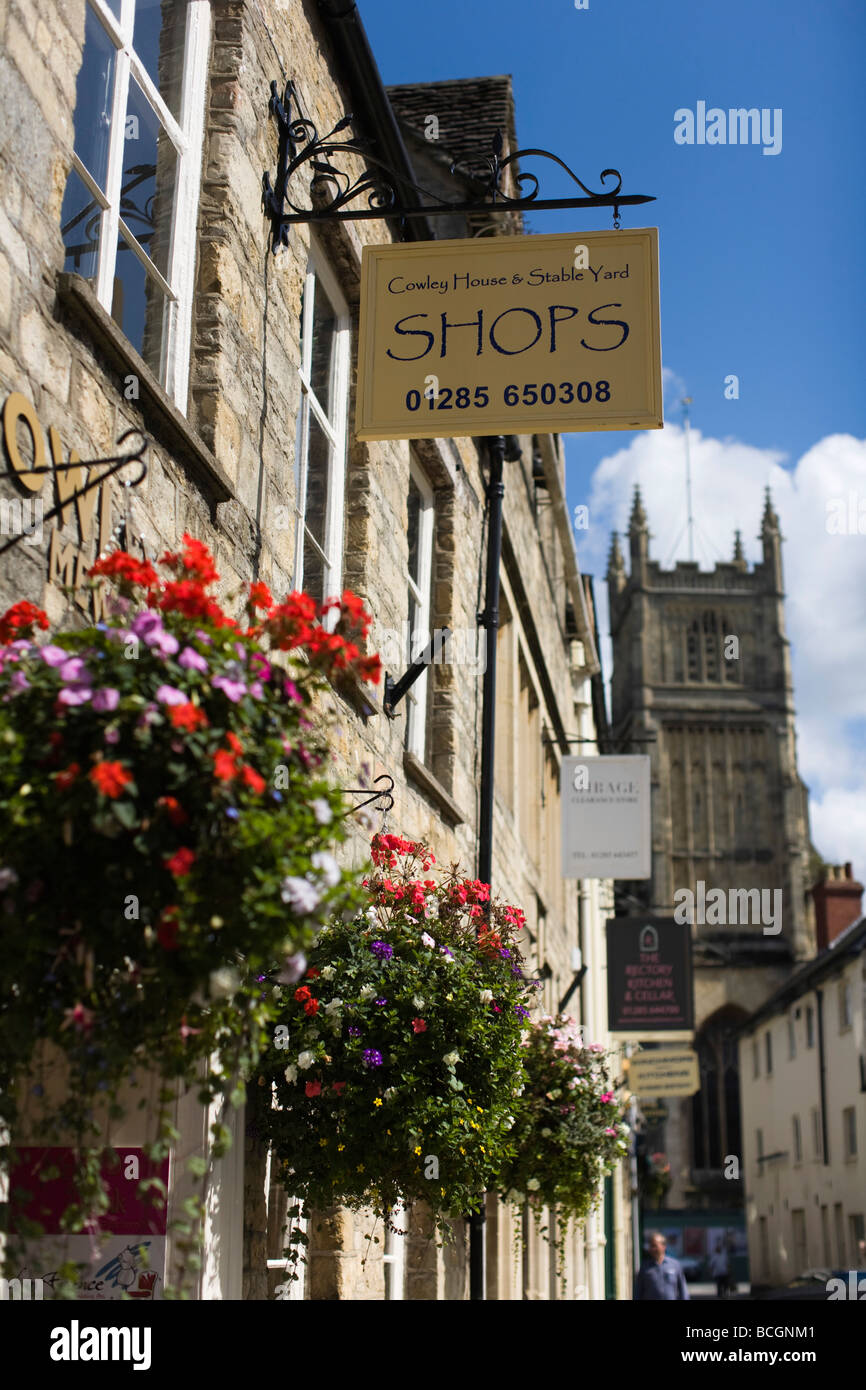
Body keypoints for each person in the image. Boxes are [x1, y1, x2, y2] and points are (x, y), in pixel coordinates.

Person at [633, 1231, 690, 1300]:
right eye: (651, 1246)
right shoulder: (645, 1267)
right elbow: (638, 1291)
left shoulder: (675, 1265)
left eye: (654, 1246)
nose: (652, 1249)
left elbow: (683, 1289)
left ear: (663, 1246)